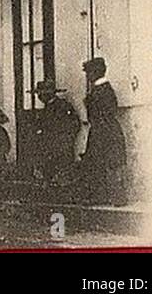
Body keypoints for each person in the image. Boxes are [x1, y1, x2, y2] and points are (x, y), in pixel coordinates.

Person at [79, 57, 127, 203]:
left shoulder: (101, 91)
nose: (87, 77)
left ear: (94, 73)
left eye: (88, 73)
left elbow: (102, 112)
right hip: (105, 130)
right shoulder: (103, 89)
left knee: (108, 163)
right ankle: (105, 197)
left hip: (104, 131)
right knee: (102, 163)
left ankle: (114, 197)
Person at [32, 80, 80, 183]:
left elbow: (74, 125)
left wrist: (65, 141)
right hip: (49, 149)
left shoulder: (63, 106)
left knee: (60, 177)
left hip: (60, 149)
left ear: (48, 94)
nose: (39, 97)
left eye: (41, 94)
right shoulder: (46, 109)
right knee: (49, 177)